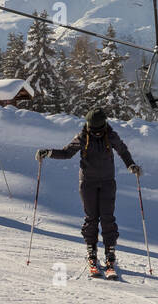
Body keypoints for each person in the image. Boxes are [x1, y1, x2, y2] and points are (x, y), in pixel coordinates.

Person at [37, 107, 140, 277]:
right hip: (88, 183)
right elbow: (66, 153)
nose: (96, 133)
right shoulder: (83, 136)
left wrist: (131, 165)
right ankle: (92, 253)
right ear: (88, 126)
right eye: (93, 130)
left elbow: (122, 150)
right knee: (91, 218)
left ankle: (110, 256)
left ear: (104, 126)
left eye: (99, 130)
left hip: (107, 182)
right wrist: (48, 153)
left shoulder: (111, 135)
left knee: (108, 218)